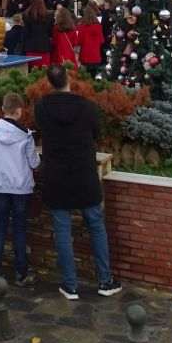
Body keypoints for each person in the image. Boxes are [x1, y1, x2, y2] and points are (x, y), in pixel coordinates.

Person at [34, 64, 121, 299]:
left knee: (62, 230)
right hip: (84, 174)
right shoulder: (88, 107)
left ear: (49, 82)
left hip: (56, 176)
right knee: (96, 225)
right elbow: (96, 133)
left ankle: (70, 284)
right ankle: (105, 280)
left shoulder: (42, 108)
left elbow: (41, 130)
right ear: (68, 79)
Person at [0, 92, 40, 284]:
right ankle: (21, 272)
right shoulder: (25, 135)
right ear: (19, 111)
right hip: (20, 187)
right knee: (19, 230)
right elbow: (34, 163)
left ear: (3, 109)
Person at [22, 0, 53, 68]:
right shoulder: (49, 15)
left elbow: (26, 33)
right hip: (44, 47)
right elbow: (50, 32)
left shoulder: (26, 15)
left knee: (31, 73)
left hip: (31, 47)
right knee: (44, 74)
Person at [77, 4, 104, 69]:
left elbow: (79, 41)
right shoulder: (98, 27)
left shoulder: (82, 27)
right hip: (96, 56)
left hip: (85, 56)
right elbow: (102, 40)